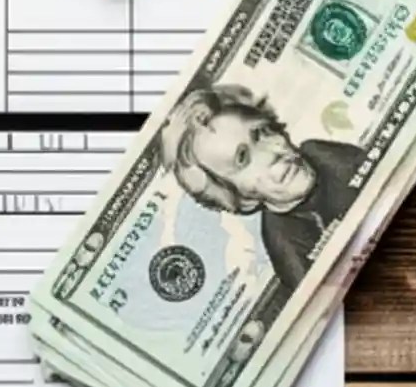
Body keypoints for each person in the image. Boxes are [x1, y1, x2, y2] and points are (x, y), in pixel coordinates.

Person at [157, 82, 366, 292]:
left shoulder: (317, 152)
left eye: (262, 132)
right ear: (240, 198)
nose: (273, 151)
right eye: (243, 159)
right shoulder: (284, 243)